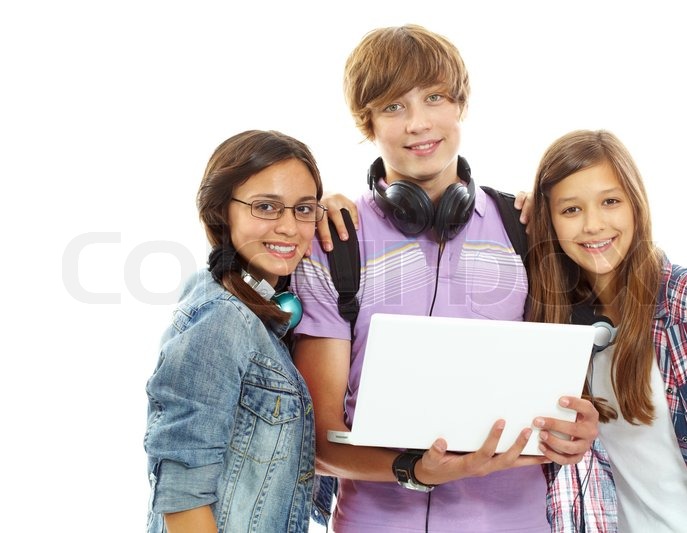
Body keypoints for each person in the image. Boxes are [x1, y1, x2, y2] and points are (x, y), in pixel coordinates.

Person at [291, 25, 601, 532]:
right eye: (394, 107)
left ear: (460, 106)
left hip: (512, 521)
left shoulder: (527, 227)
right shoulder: (335, 243)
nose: (419, 123)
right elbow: (319, 441)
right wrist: (412, 470)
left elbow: (568, 380)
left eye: (435, 98)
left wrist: (578, 429)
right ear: (366, 123)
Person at [526, 129, 687, 532]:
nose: (593, 224)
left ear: (636, 204)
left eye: (610, 202)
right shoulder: (558, 328)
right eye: (571, 210)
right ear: (549, 221)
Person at [143, 129, 325, 533]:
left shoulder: (268, 312)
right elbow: (182, 497)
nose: (289, 228)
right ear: (223, 212)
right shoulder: (221, 319)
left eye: (304, 209)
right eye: (266, 207)